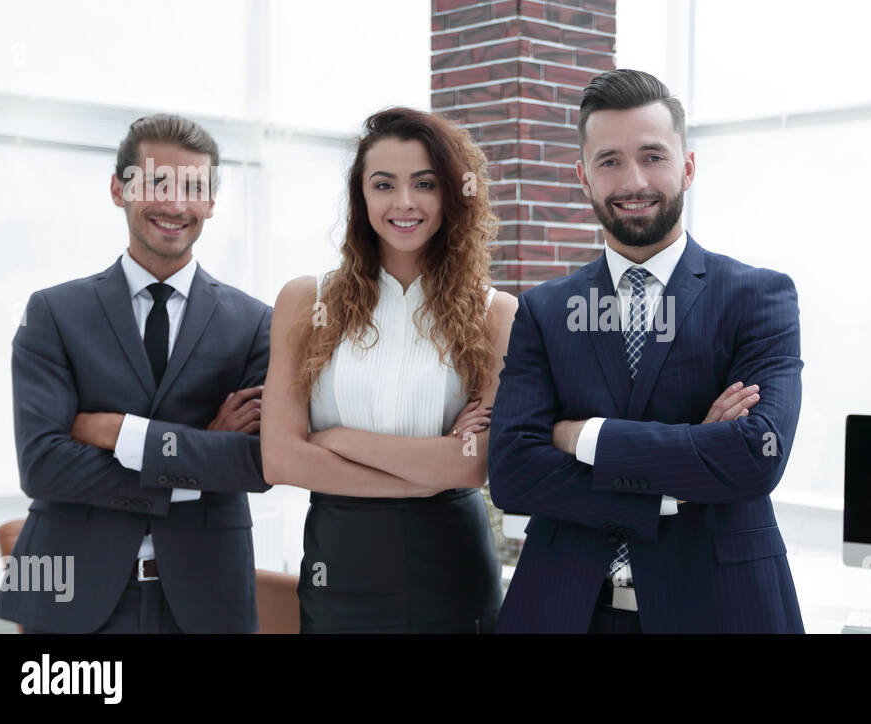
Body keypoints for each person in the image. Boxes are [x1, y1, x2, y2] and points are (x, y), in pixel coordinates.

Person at [488, 69, 805, 634]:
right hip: (564, 610)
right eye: (610, 161)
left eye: (653, 156)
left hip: (719, 609)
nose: (634, 180)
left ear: (687, 166)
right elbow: (513, 472)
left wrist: (582, 436)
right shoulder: (543, 309)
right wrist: (676, 478)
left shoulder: (758, 296)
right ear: (583, 177)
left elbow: (756, 456)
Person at [0, 114, 273, 633]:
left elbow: (257, 465)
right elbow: (43, 466)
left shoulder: (256, 322)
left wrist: (120, 433)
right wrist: (200, 452)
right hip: (67, 592)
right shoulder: (52, 313)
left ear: (212, 202)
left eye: (193, 187)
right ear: (118, 188)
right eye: (155, 182)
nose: (174, 204)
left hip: (207, 598)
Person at [262, 107, 515, 633]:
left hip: (452, 566)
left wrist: (334, 438)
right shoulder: (306, 300)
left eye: (424, 183)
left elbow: (473, 465)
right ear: (362, 197)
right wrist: (428, 473)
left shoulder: (495, 313)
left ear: (451, 192)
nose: (404, 203)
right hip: (340, 564)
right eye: (384, 184)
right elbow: (281, 458)